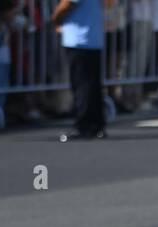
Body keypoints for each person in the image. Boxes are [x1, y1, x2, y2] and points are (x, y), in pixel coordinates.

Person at [51, 0, 104, 141]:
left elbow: (68, 3)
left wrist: (55, 18)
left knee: (82, 85)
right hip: (92, 38)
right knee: (92, 84)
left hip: (79, 38)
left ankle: (84, 125)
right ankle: (96, 125)